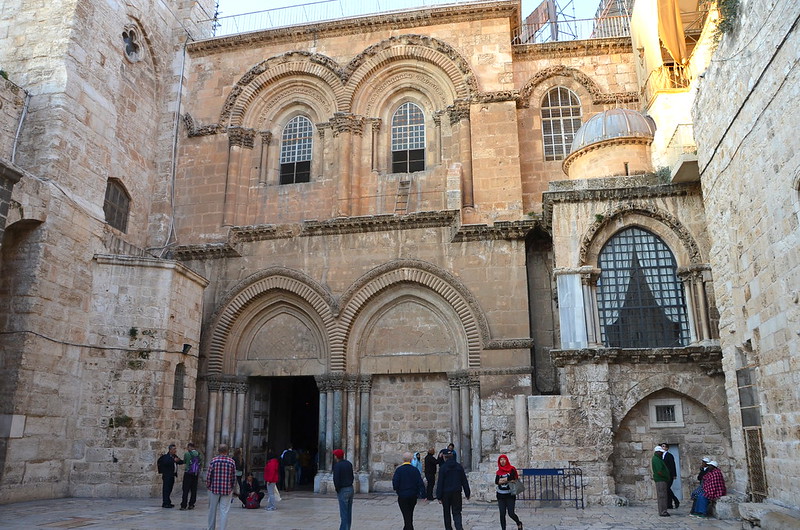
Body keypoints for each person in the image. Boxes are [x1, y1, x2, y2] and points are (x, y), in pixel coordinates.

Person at [436, 449, 470, 530]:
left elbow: (440, 482)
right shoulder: (459, 466)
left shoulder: (443, 468)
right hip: (456, 492)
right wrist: (467, 492)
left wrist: (439, 496)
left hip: (446, 494)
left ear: (444, 457)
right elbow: (464, 480)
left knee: (446, 512)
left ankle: (448, 528)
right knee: (457, 512)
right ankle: (459, 527)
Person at [206, 443, 236, 530]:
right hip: (227, 489)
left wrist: (208, 485)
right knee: (224, 511)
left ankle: (211, 528)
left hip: (214, 488)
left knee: (212, 510)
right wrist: (232, 487)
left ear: (218, 451)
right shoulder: (231, 462)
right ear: (227, 451)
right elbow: (234, 477)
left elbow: (209, 475)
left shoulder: (214, 460)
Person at [393, 452, 425, 530]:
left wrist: (398, 490)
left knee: (406, 514)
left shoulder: (399, 470)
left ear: (403, 460)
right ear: (411, 460)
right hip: (413, 495)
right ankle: (408, 527)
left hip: (403, 495)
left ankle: (408, 527)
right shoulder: (415, 470)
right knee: (409, 513)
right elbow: (420, 483)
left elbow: (395, 483)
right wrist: (423, 494)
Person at [495, 454, 523, 530]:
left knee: (511, 513)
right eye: (501, 460)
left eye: (504, 459)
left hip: (510, 495)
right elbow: (497, 481)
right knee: (502, 514)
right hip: (500, 495)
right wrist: (507, 479)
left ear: (506, 460)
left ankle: (518, 522)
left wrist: (503, 480)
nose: (502, 461)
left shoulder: (512, 469)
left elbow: (513, 478)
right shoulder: (498, 471)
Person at [332, 449, 354, 530]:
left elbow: (336, 479)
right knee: (348, 512)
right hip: (350, 488)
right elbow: (352, 476)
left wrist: (337, 489)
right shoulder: (349, 463)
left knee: (344, 513)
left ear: (336, 456)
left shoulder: (337, 466)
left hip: (343, 490)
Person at [156, 443, 183, 508]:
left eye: (175, 449)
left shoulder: (174, 456)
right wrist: (173, 460)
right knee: (166, 489)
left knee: (170, 489)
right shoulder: (166, 457)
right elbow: (166, 462)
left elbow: (179, 461)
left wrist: (184, 461)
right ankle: (165, 503)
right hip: (167, 475)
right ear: (170, 450)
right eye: (174, 449)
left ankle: (168, 502)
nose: (175, 450)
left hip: (172, 475)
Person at [179, 442, 203, 510]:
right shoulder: (198, 454)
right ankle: (191, 504)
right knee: (193, 489)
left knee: (185, 489)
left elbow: (185, 461)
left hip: (188, 473)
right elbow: (200, 462)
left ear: (190, 447)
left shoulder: (187, 454)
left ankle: (183, 505)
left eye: (188, 447)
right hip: (195, 473)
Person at [651, 445, 671, 517]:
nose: (662, 453)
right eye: (661, 452)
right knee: (662, 496)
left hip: (662, 479)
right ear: (658, 452)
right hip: (661, 479)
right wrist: (666, 476)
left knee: (663, 495)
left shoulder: (658, 459)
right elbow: (659, 471)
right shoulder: (656, 459)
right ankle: (663, 511)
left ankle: (663, 510)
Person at [660, 443, 680, 509]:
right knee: (667, 489)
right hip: (664, 475)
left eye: (664, 446)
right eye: (662, 446)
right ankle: (669, 504)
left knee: (667, 488)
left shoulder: (669, 455)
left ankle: (676, 500)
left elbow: (672, 465)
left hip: (669, 475)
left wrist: (674, 474)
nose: (662, 447)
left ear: (667, 448)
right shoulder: (661, 456)